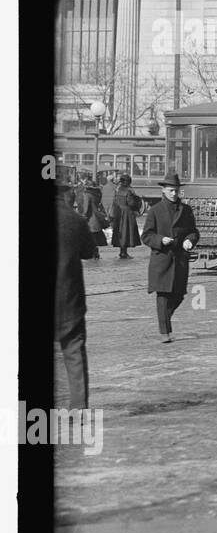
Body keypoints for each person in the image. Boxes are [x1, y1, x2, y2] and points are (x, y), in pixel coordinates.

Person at [141, 172, 201, 343]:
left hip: (180, 259)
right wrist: (160, 240)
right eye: (170, 190)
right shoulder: (155, 210)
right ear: (163, 191)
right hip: (162, 259)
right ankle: (165, 332)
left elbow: (193, 231)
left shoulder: (186, 210)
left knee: (179, 294)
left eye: (176, 190)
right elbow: (146, 235)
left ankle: (164, 319)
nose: (174, 194)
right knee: (163, 296)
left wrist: (190, 240)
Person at [56, 182, 96, 407]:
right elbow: (89, 253)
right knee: (74, 354)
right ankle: (78, 408)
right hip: (70, 301)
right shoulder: (76, 221)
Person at [109, 173, 143, 258]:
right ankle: (124, 252)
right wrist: (137, 201)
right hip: (127, 214)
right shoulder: (129, 191)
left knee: (120, 232)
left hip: (118, 213)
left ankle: (122, 251)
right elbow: (131, 203)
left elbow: (114, 202)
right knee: (127, 233)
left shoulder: (117, 190)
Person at [76, 172, 107, 258]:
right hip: (96, 218)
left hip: (90, 219)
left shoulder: (87, 195)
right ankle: (95, 252)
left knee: (90, 236)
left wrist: (83, 216)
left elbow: (86, 208)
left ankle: (93, 253)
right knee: (95, 236)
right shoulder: (97, 194)